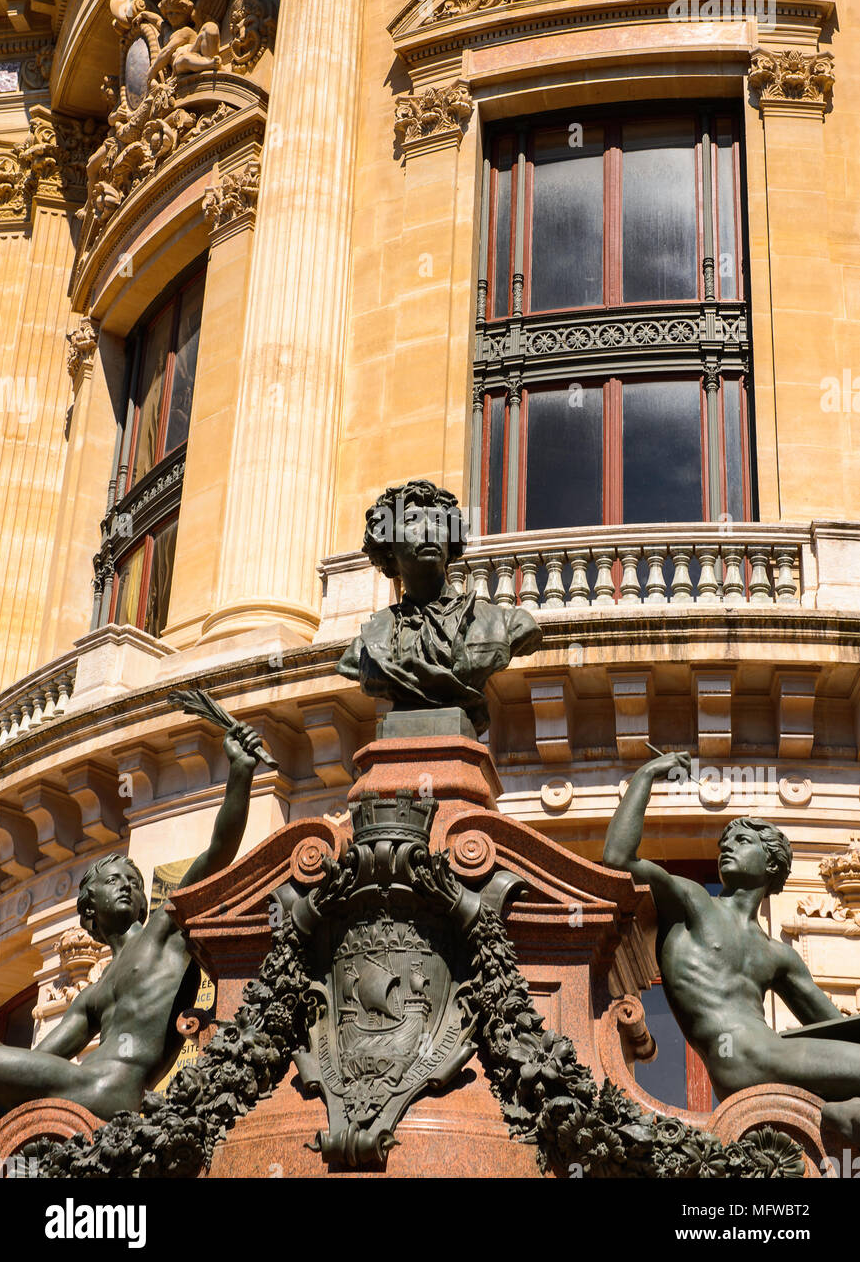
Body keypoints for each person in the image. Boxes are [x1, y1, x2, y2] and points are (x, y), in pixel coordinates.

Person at [0, 720, 262, 1121]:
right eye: (113, 881)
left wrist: (240, 773)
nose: (127, 887)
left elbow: (218, 853)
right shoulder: (91, 995)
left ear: (142, 903)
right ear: (89, 911)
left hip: (114, 1088)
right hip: (83, 1087)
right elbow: (39, 1061)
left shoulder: (163, 931)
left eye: (134, 883)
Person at [603, 751, 860, 1142]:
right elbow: (618, 859)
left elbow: (836, 1030)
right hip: (742, 1057)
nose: (727, 846)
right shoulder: (693, 902)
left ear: (772, 864)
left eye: (742, 840)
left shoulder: (778, 955)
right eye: (725, 841)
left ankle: (846, 1116)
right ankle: (841, 1118)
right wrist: (646, 775)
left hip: (767, 1054)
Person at [337, 479, 541, 735]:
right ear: (388, 547)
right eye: (411, 521)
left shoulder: (504, 624)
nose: (427, 531)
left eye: (437, 522)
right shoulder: (364, 647)